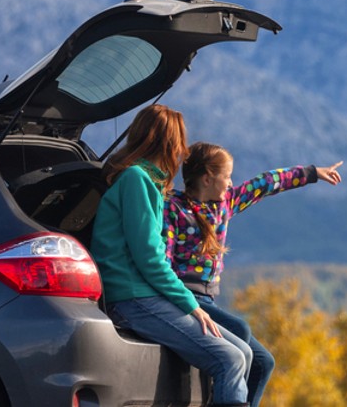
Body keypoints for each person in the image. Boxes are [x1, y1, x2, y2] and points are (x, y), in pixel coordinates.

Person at [91, 105, 253, 407]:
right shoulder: (136, 180)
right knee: (229, 359)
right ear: (168, 143)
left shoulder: (148, 183)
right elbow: (149, 259)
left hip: (146, 295)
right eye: (179, 142)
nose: (182, 152)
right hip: (132, 298)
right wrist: (192, 305)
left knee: (244, 352)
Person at [165, 142, 344, 407]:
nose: (231, 182)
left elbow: (266, 183)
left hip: (209, 300)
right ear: (207, 179)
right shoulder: (174, 209)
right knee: (241, 329)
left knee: (263, 363)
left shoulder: (225, 204)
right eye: (227, 176)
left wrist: (312, 173)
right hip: (187, 298)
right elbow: (164, 260)